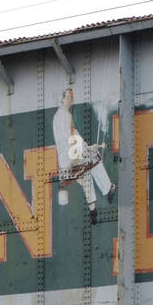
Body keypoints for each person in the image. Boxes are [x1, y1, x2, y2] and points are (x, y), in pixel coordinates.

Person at [52, 88, 115, 224]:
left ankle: (92, 208)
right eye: (68, 97)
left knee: (86, 174)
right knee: (94, 157)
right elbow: (70, 137)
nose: (70, 100)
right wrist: (87, 148)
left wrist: (84, 146)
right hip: (70, 158)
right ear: (62, 99)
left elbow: (73, 135)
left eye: (71, 97)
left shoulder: (61, 115)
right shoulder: (63, 116)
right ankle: (108, 188)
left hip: (66, 162)